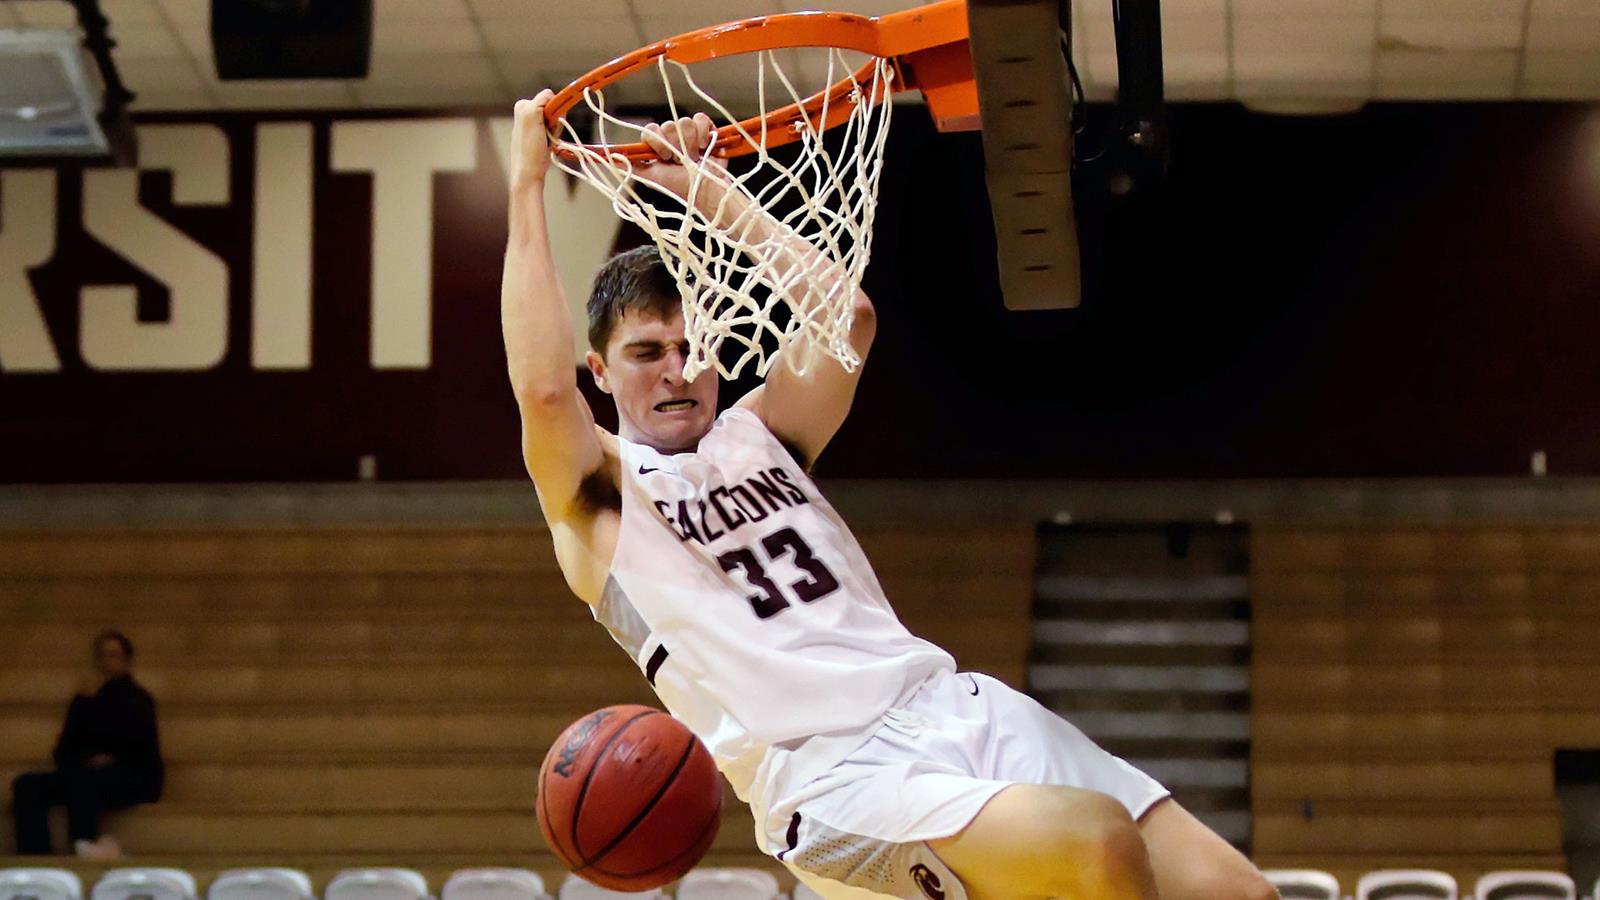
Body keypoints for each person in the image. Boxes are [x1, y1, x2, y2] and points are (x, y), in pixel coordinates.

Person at [501, 91, 1276, 900]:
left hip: (952, 705)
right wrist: (525, 185)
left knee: (1239, 893)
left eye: (694, 345)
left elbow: (848, 316)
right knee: (1097, 842)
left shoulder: (760, 434)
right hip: (836, 781)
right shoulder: (601, 498)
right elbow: (544, 393)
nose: (678, 369)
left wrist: (707, 192)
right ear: (600, 371)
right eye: (647, 352)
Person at [10, 631, 164, 858]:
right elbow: (64, 748)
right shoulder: (84, 700)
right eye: (102, 655)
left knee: (84, 781)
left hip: (130, 777)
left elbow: (140, 751)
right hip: (82, 773)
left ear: (127, 660)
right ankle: (35, 855)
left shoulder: (138, 700)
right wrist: (84, 755)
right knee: (27, 785)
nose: (107, 662)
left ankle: (84, 842)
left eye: (114, 655)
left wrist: (107, 759)